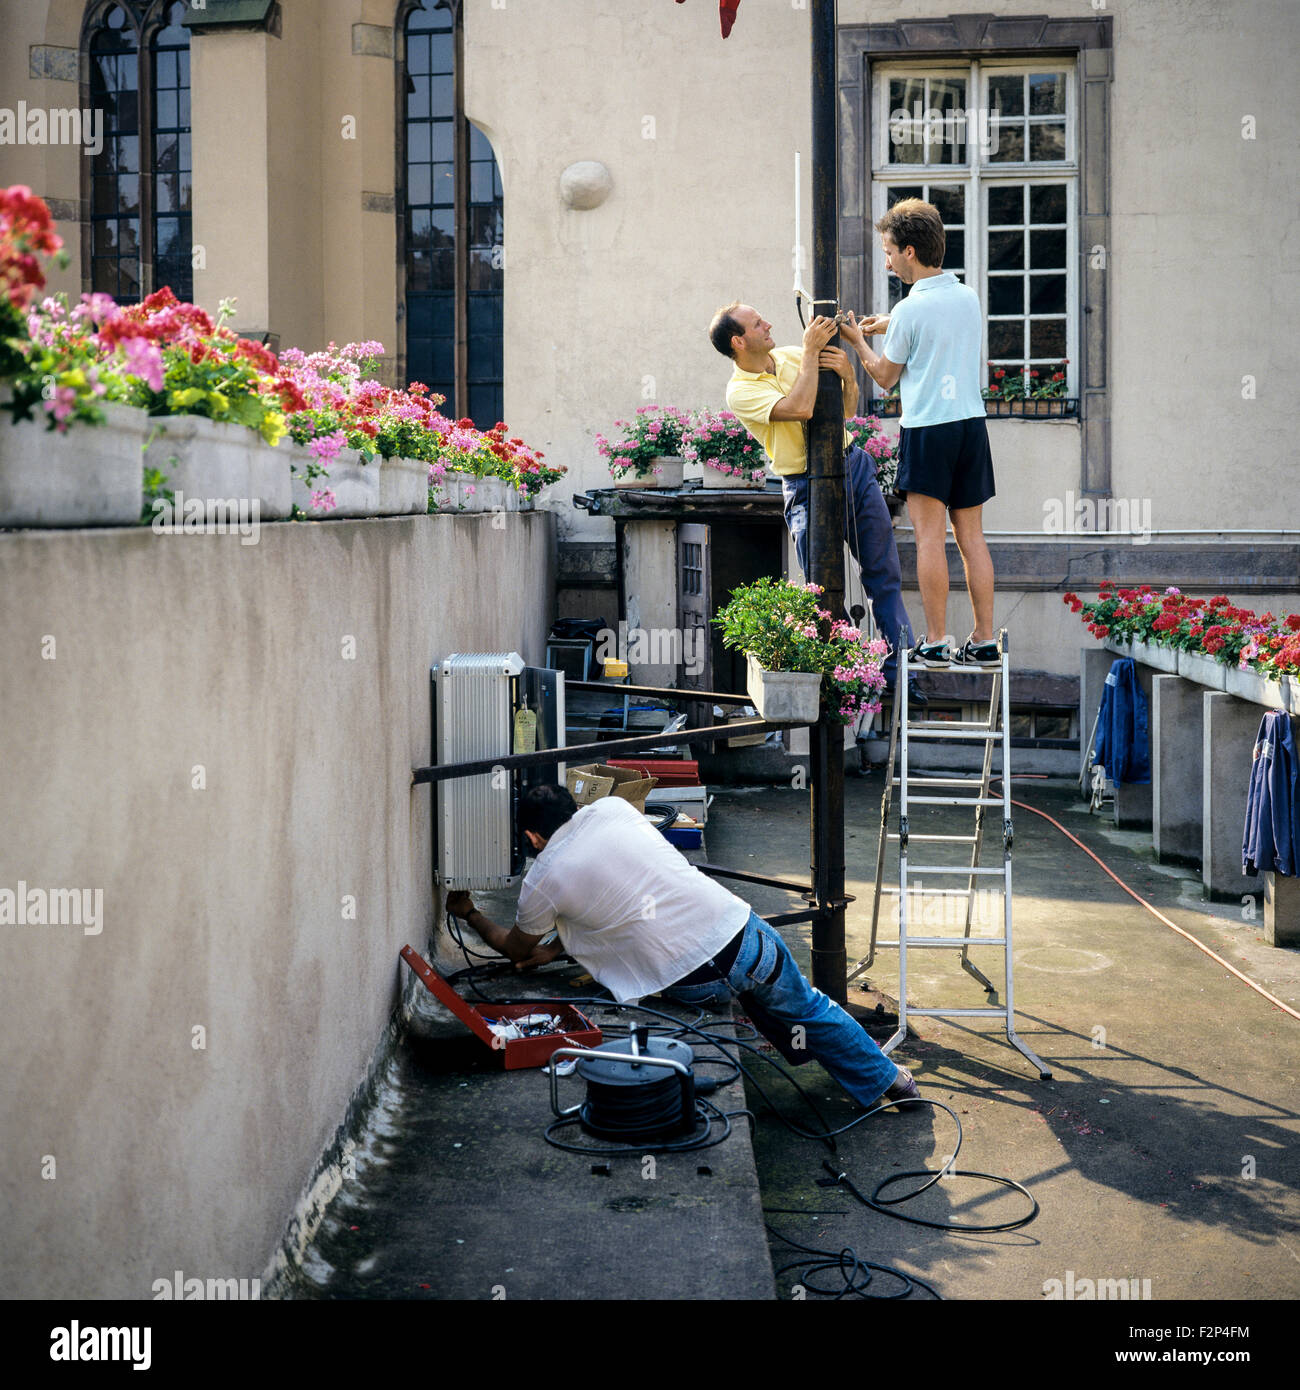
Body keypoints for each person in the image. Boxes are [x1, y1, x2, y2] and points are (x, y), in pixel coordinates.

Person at [445, 784, 919, 1113]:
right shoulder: (612, 809)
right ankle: (892, 1080)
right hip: (747, 938)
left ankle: (827, 1059)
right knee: (808, 1007)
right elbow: (625, 890)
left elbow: (514, 948)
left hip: (696, 984)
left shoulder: (543, 879)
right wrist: (562, 945)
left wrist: (469, 913)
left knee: (757, 999)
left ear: (531, 837)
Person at [709, 302, 924, 704]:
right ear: (739, 342)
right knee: (823, 592)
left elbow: (845, 411)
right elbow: (800, 409)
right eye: (757, 323)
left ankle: (902, 675)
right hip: (805, 484)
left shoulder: (791, 356)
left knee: (883, 574)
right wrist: (811, 353)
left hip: (852, 465)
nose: (768, 322)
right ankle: (850, 678)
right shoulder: (740, 389)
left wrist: (847, 378)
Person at [841, 197, 999, 669]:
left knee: (929, 539)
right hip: (970, 426)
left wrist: (859, 342)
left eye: (888, 251)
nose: (886, 260)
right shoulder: (966, 295)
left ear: (909, 250)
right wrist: (892, 323)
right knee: (972, 538)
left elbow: (886, 376)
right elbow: (939, 327)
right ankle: (985, 638)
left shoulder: (910, 309)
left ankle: (934, 639)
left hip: (928, 431)